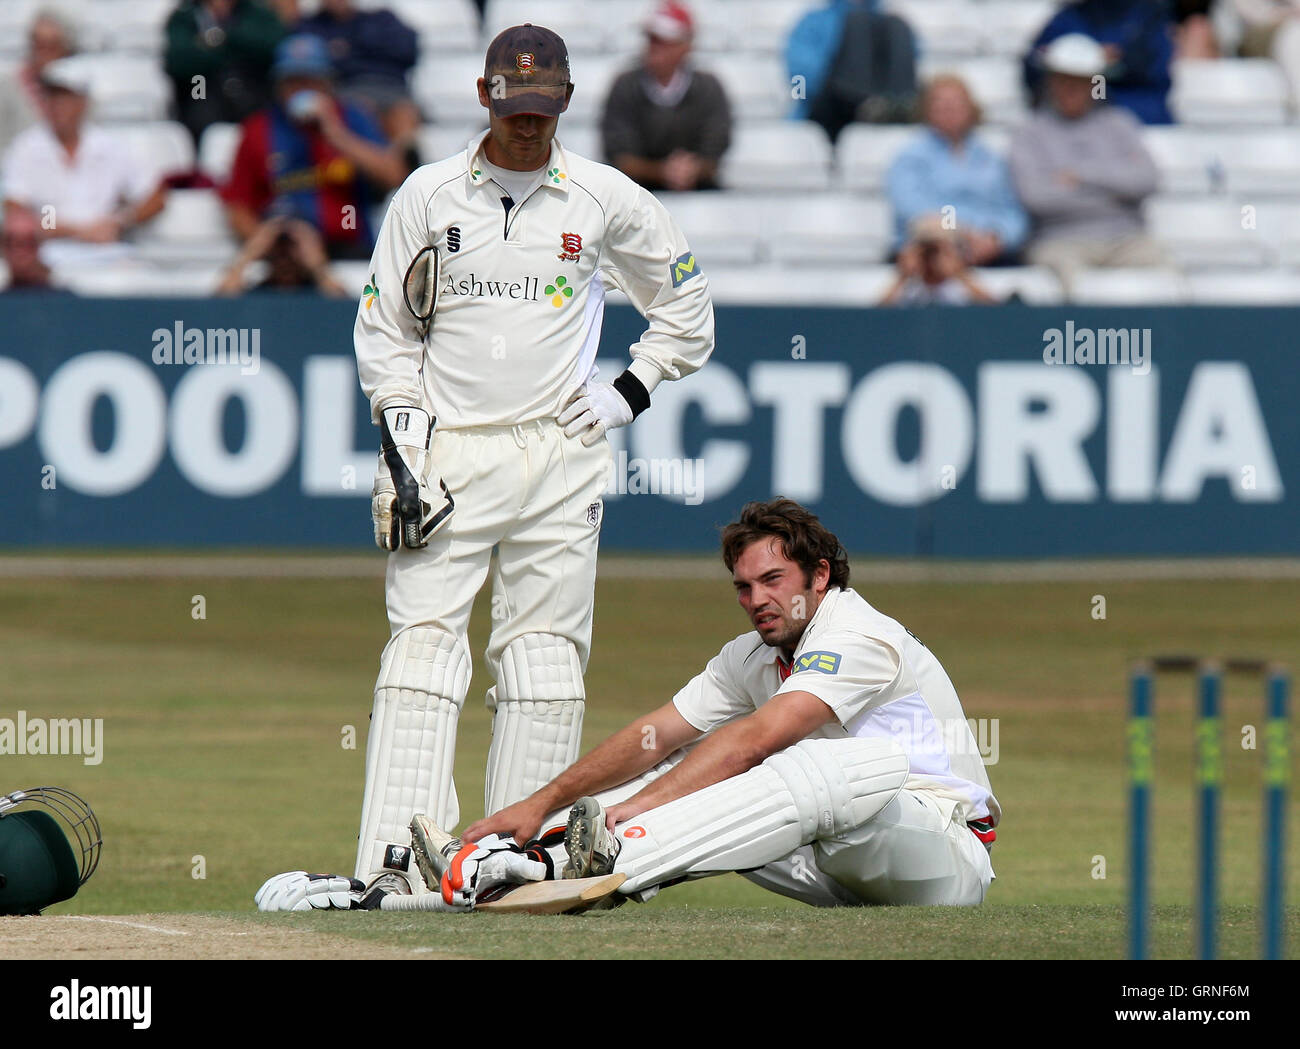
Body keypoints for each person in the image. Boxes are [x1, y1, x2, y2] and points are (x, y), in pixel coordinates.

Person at [344, 23, 714, 906]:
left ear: (567, 103)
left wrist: (630, 390)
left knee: (545, 662)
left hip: (561, 453)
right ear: (483, 97)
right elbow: (386, 334)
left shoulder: (602, 196)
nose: (528, 127)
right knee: (423, 656)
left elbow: (687, 302)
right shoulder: (428, 196)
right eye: (514, 110)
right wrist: (404, 446)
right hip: (450, 451)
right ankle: (397, 866)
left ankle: (512, 861)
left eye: (544, 111)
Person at [255, 499, 998, 912]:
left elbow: (754, 740)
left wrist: (624, 815)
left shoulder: (857, 630)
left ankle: (599, 857)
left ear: (820, 574)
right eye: (743, 587)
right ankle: (490, 868)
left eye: (773, 580)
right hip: (841, 877)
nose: (757, 601)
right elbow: (654, 735)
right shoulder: (750, 656)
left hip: (941, 852)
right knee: (686, 757)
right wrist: (539, 802)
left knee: (804, 758)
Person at [219, 33, 407, 260]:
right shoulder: (258, 129)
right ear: (279, 85)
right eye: (293, 81)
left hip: (349, 248)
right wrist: (270, 249)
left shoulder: (352, 118)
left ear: (327, 83)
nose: (301, 89)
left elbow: (394, 175)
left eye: (310, 81)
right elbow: (238, 207)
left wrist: (337, 135)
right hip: (287, 258)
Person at [1009, 34, 1165, 293]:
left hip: (1125, 239)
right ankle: (1079, 335)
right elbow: (1035, 198)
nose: (1072, 88)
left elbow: (1148, 180)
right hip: (1059, 241)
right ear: (1051, 82)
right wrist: (1115, 192)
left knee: (1168, 277)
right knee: (1073, 283)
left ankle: (1153, 336)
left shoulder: (1120, 124)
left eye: (1081, 81)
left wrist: (1080, 176)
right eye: (1064, 79)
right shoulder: (1029, 133)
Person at [2, 59, 166, 251]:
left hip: (106, 253)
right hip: (47, 252)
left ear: (82, 102)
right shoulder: (25, 147)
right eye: (53, 97)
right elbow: (15, 208)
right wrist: (67, 230)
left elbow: (155, 196)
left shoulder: (109, 146)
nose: (57, 105)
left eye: (65, 98)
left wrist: (119, 222)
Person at [886, 75, 1027, 266]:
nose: (949, 109)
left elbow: (1012, 211)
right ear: (927, 109)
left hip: (989, 252)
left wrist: (996, 238)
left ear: (971, 108)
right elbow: (912, 207)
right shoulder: (912, 156)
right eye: (940, 102)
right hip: (931, 252)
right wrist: (960, 231)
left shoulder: (990, 157)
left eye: (956, 102)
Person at [600, 2, 732, 192]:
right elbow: (618, 154)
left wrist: (692, 169)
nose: (655, 46)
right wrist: (664, 171)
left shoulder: (708, 88)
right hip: (634, 192)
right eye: (652, 39)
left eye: (664, 40)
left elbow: (716, 148)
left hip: (699, 189)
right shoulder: (625, 86)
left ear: (686, 45)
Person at [295, 0, 422, 170]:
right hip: (349, 91)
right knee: (361, 113)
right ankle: (391, 171)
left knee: (403, 115)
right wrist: (371, 47)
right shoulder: (310, 25)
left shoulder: (381, 18)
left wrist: (347, 52)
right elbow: (314, 64)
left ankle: (406, 166)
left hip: (391, 89)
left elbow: (407, 49)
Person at [1023, 0, 1175, 125]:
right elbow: (1034, 64)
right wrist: (1056, 56)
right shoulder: (1070, 17)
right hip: (1065, 122)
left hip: (1131, 110)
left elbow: (1157, 73)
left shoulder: (1147, 17)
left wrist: (1121, 60)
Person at [164, 0, 288, 145]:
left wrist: (219, 40)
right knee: (197, 92)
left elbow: (274, 47)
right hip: (202, 85)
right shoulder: (185, 15)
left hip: (249, 87)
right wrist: (234, 50)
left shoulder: (257, 12)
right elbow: (179, 61)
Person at [0, 8, 78, 160]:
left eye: (52, 47)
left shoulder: (79, 93)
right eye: (39, 45)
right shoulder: (8, 87)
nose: (45, 55)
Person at [879, 217, 1000, 306]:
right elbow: (875, 318)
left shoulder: (967, 286)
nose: (932, 256)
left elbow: (996, 312)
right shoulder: (907, 289)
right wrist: (902, 276)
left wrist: (960, 274)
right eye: (927, 250)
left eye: (939, 250)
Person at [214, 215, 347, 295]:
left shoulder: (320, 291)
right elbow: (221, 306)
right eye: (278, 246)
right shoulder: (258, 293)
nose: (285, 256)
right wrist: (249, 254)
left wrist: (318, 266)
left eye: (292, 245)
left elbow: (344, 311)